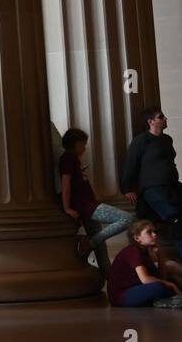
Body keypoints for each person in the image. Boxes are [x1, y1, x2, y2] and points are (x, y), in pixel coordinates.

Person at [59, 128, 132, 277]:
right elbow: (65, 183)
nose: (85, 148)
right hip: (86, 205)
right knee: (127, 218)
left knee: (101, 249)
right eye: (83, 144)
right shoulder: (68, 157)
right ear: (76, 143)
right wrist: (67, 207)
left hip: (88, 203)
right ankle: (90, 243)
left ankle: (109, 276)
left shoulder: (73, 158)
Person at [121, 106, 182, 260]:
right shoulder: (141, 141)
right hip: (153, 188)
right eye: (161, 117)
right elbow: (131, 164)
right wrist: (127, 188)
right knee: (176, 219)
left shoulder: (167, 139)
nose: (165, 119)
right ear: (151, 122)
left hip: (172, 186)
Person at [107, 220, 182, 308]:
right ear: (137, 238)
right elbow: (145, 279)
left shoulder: (145, 252)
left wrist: (159, 255)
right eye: (149, 232)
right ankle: (165, 301)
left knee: (168, 281)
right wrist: (170, 284)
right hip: (121, 296)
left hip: (137, 290)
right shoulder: (133, 251)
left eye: (155, 232)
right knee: (160, 286)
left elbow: (161, 277)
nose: (154, 235)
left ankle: (162, 301)